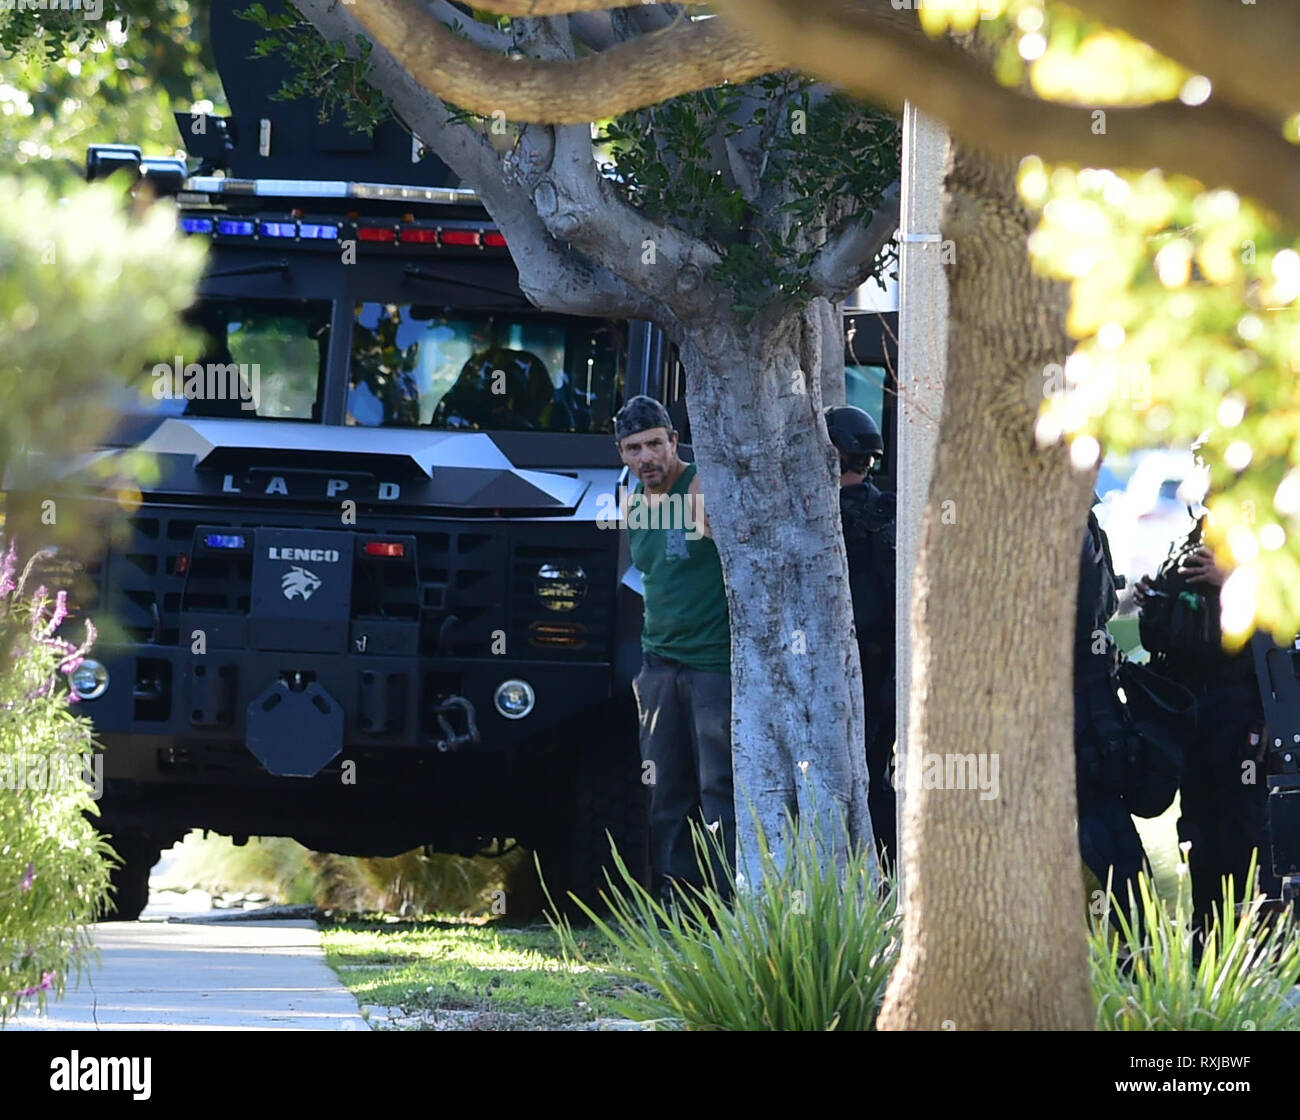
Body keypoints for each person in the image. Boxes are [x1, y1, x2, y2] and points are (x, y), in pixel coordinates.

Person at [615, 395, 734, 901]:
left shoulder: (700, 487)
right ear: (622, 454)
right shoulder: (633, 499)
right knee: (664, 794)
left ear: (673, 442)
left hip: (713, 665)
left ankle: (729, 903)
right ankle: (675, 907)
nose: (646, 458)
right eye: (633, 448)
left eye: (654, 445)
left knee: (719, 791)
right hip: (658, 664)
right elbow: (651, 577)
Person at [1134, 520, 1278, 929]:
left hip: (1248, 716)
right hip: (1195, 717)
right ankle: (1209, 949)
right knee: (1199, 834)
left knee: (1248, 835)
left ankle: (1263, 956)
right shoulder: (1195, 535)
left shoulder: (1277, 530)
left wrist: (1235, 581)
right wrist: (1159, 602)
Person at [825, 405, 897, 865]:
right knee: (874, 773)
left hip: (854, 668)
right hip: (884, 666)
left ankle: (870, 872)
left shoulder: (826, 516)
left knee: (857, 777)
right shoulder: (891, 510)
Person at [1074, 505, 1150, 921]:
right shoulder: (1061, 520)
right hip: (1076, 705)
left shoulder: (1075, 522)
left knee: (1106, 829)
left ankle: (1135, 947)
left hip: (1088, 701)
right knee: (1103, 829)